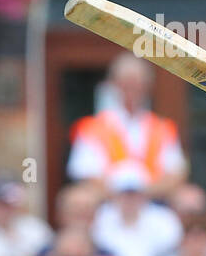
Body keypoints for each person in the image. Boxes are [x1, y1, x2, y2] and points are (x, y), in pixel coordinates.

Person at [66, 52, 187, 199]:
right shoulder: (92, 127)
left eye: (137, 82)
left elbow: (175, 174)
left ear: (147, 86)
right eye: (126, 82)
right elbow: (85, 174)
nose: (132, 88)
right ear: (114, 84)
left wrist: (139, 194)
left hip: (153, 206)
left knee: (190, 198)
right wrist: (123, 195)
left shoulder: (162, 127)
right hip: (106, 206)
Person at [90, 162, 182, 256]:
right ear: (115, 195)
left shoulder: (164, 220)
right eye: (124, 194)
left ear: (144, 194)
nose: (129, 199)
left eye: (134, 193)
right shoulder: (101, 219)